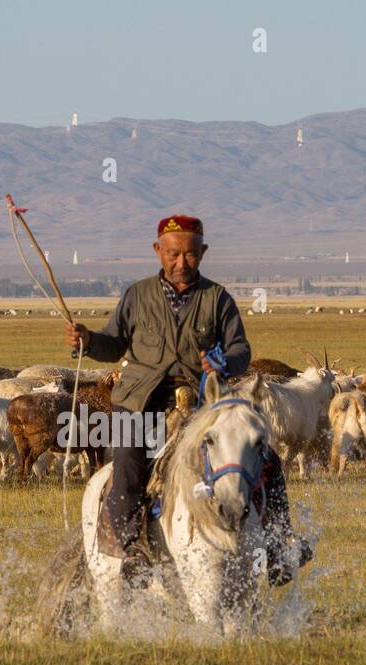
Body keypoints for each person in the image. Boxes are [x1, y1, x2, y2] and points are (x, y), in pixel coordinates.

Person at [64, 214, 311, 587]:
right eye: (173, 255)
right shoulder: (137, 295)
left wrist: (225, 362)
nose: (181, 263)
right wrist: (88, 340)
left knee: (265, 457)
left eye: (191, 255)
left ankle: (279, 544)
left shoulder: (217, 298)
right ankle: (132, 549)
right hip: (138, 401)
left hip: (200, 403)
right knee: (128, 457)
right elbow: (113, 344)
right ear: (158, 251)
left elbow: (241, 348)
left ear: (203, 252)